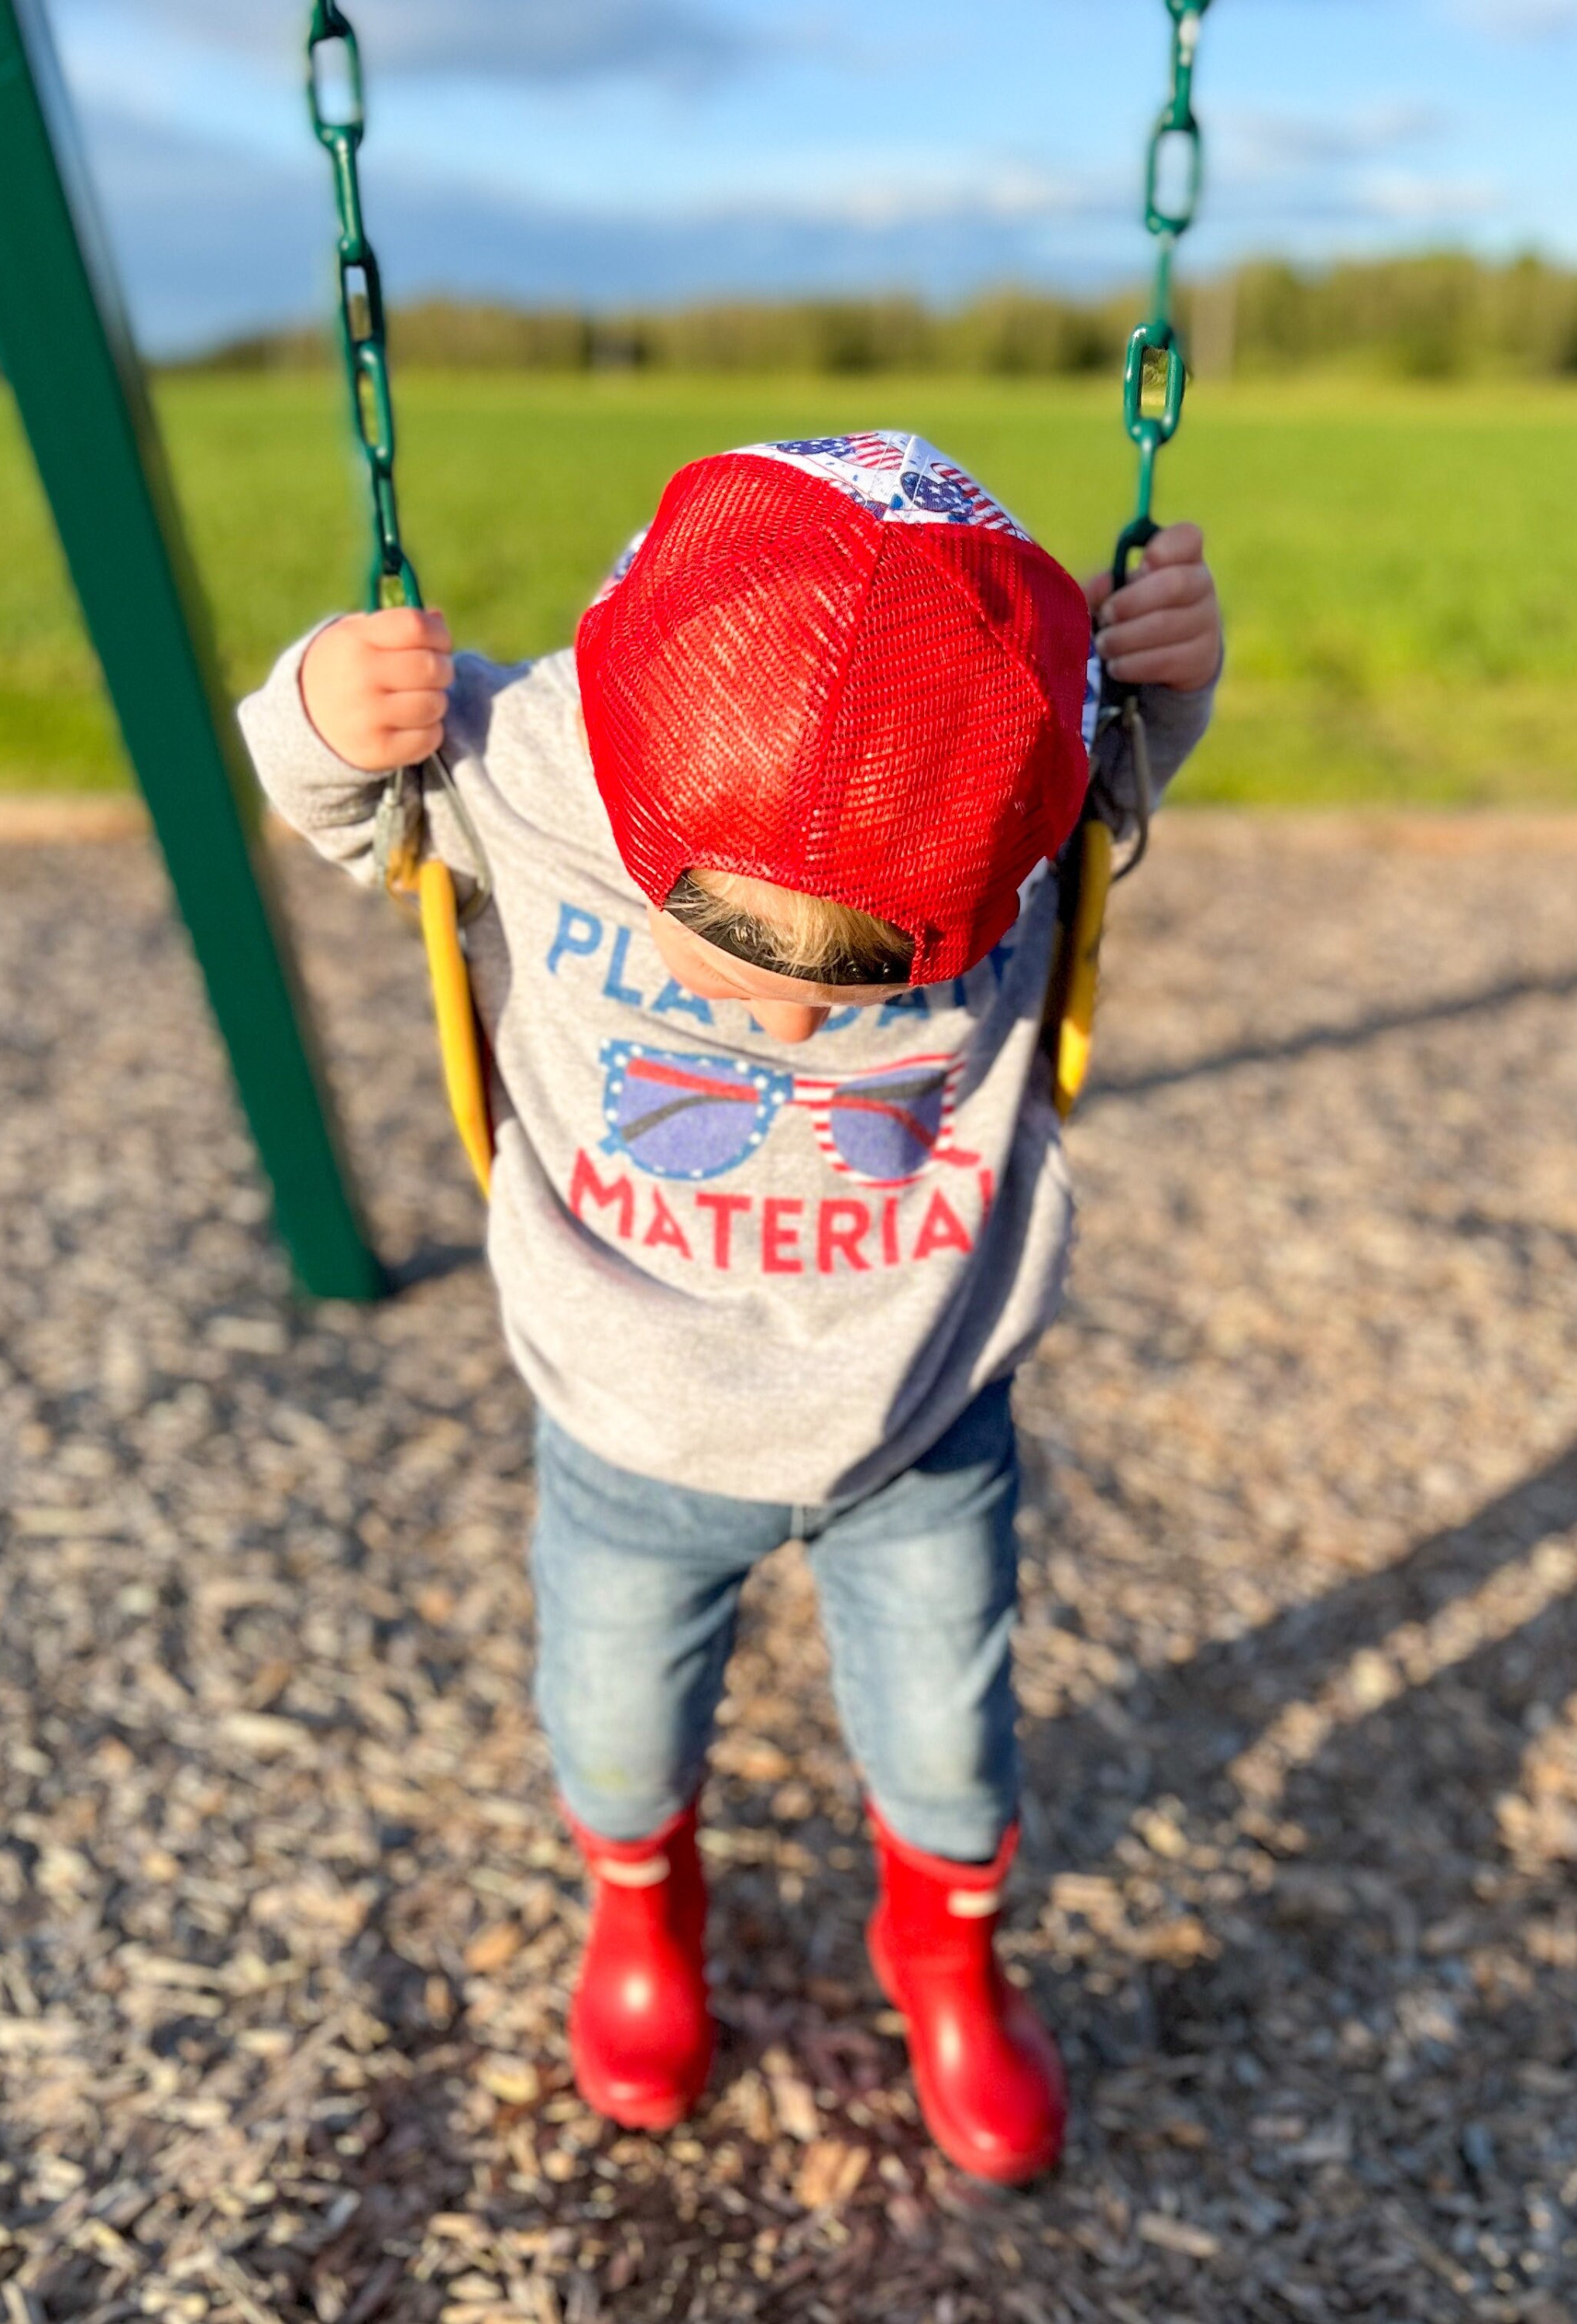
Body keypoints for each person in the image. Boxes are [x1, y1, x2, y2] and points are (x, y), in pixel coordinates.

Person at [239, 431, 1221, 2183]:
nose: (780, 1034)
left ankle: (944, 1959)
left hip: (918, 1401)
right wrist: (323, 708)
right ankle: (637, 1915)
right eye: (735, 970)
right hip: (625, 1402)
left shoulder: (1025, 781)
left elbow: (1118, 766)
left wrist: (1172, 682)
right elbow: (336, 802)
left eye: (849, 983)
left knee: (951, 1745)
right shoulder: (531, 759)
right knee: (611, 1731)